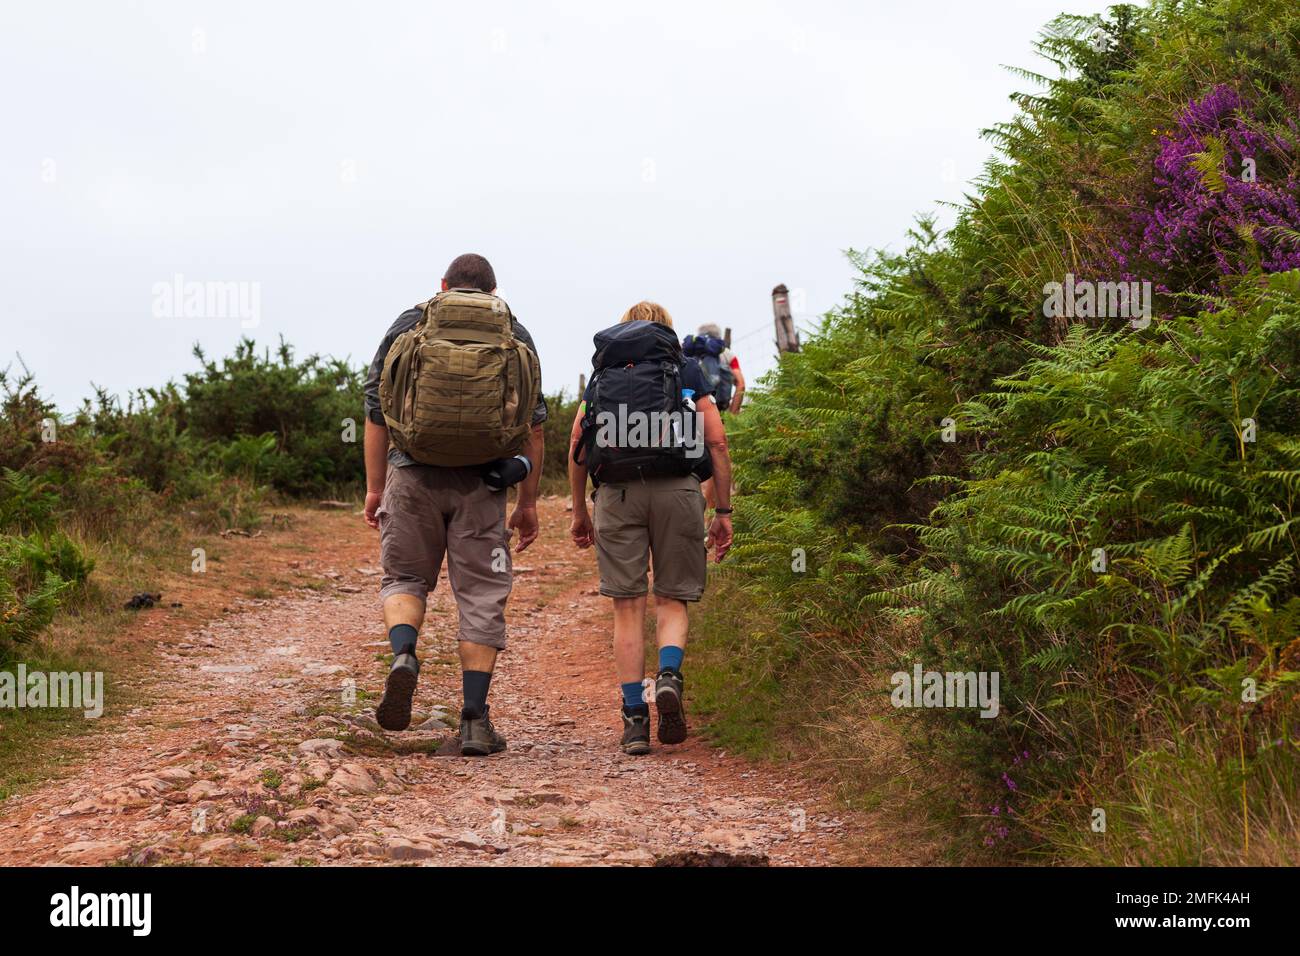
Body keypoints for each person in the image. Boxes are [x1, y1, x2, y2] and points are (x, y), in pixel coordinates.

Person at [362, 253, 546, 756]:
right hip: (484, 484)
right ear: (492, 290)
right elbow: (534, 424)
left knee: (404, 578)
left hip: (411, 472)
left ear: (443, 285)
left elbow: (377, 409)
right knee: (481, 597)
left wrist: (375, 488)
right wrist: (527, 501)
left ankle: (404, 655)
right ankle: (473, 720)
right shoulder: (514, 331)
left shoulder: (411, 322)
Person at [568, 302, 733, 755]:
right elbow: (716, 441)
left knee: (627, 606)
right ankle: (669, 676)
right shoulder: (686, 369)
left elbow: (579, 445)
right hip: (679, 491)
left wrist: (580, 510)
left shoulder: (605, 372)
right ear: (668, 333)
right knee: (672, 597)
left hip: (618, 495)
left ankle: (634, 719)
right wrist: (723, 511)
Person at [686, 322, 744, 511]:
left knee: (691, 456)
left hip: (691, 412)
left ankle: (692, 507)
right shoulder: (727, 354)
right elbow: (740, 384)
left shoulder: (688, 354)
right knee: (716, 453)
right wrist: (733, 413)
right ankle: (710, 512)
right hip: (718, 410)